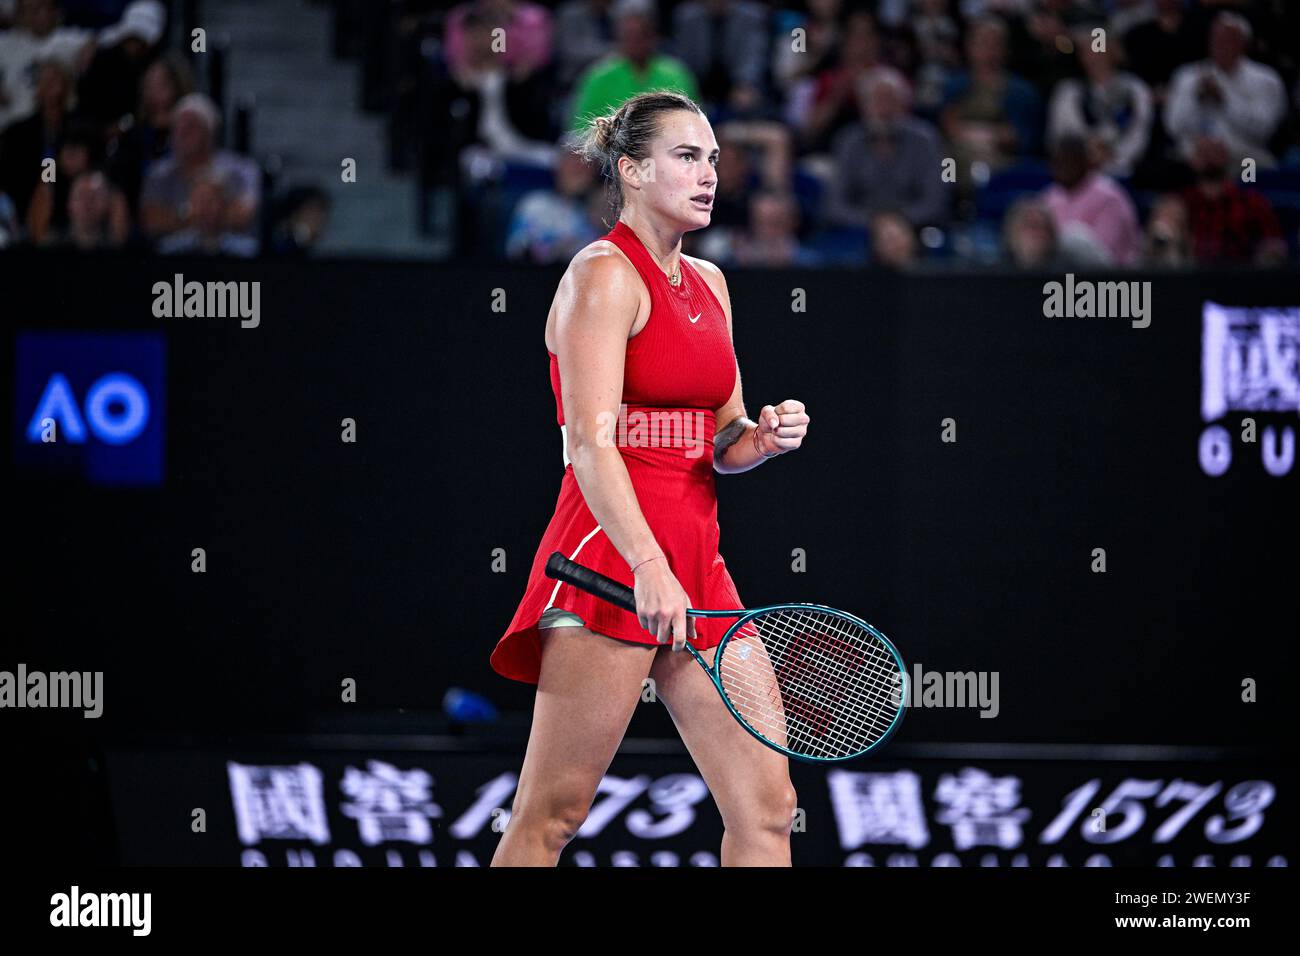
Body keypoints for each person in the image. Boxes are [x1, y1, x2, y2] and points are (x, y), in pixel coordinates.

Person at [490, 90, 810, 867]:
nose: (709, 175)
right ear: (631, 171)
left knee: (768, 809)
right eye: (686, 157)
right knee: (552, 816)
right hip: (612, 560)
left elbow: (723, 436)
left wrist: (763, 440)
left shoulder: (712, 282)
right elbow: (589, 444)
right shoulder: (601, 275)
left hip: (697, 567)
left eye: (713, 160)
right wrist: (646, 564)